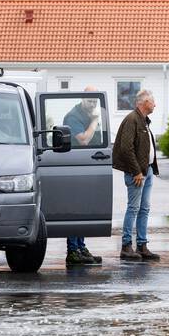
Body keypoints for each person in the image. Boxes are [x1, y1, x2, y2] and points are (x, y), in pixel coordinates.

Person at [111, 89, 160, 261]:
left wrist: (147, 169)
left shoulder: (144, 121)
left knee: (144, 208)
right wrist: (136, 171)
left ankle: (142, 245)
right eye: (153, 101)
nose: (155, 104)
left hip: (147, 171)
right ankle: (126, 246)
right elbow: (126, 148)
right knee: (133, 208)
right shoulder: (132, 119)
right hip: (138, 173)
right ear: (144, 103)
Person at [61, 90, 105, 265]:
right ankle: (73, 251)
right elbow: (84, 140)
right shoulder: (73, 116)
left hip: (87, 165)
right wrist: (95, 121)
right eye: (90, 101)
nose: (93, 104)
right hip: (73, 166)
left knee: (82, 209)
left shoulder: (87, 114)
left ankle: (81, 247)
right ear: (82, 99)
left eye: (95, 102)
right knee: (74, 208)